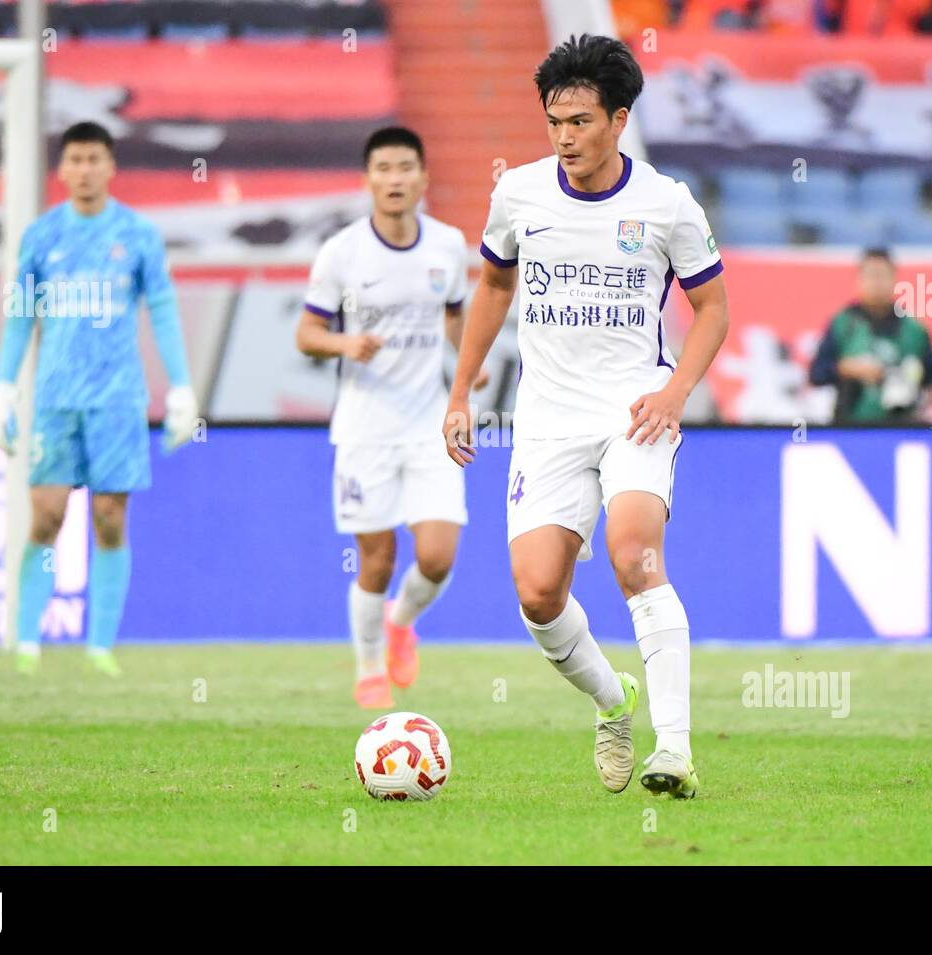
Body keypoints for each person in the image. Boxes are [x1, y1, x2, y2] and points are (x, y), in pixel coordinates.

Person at [443, 35, 730, 799]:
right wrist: (462, 389)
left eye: (579, 121)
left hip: (636, 410)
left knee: (634, 552)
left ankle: (675, 749)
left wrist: (675, 395)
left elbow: (712, 310)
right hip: (545, 420)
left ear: (619, 119)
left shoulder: (666, 204)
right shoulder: (521, 195)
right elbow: (494, 289)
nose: (565, 137)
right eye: (554, 122)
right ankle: (614, 701)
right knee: (537, 591)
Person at [0, 121, 198, 677]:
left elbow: (164, 310)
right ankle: (28, 642)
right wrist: (4, 391)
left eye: (94, 159)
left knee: (109, 517)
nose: (84, 169)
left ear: (110, 166)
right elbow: (19, 318)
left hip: (117, 399)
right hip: (55, 397)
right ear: (62, 170)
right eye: (75, 159)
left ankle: (100, 646)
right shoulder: (40, 236)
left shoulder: (138, 234)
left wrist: (181, 388)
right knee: (47, 515)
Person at [296, 127, 486, 710]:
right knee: (375, 561)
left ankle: (401, 623)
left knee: (437, 555)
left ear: (424, 179)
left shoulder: (449, 246)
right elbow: (306, 334)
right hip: (364, 428)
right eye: (384, 168)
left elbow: (456, 317)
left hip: (430, 422)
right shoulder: (342, 253)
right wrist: (343, 345)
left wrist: (467, 365)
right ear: (368, 179)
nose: (396, 179)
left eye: (406, 168)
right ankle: (369, 667)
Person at [808, 248, 932, 422]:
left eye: (882, 275)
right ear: (859, 279)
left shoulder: (914, 328)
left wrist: (910, 377)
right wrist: (847, 368)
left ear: (894, 279)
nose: (876, 283)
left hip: (903, 426)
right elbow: (817, 373)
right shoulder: (843, 323)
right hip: (851, 424)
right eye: (871, 275)